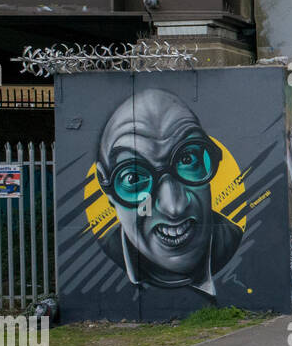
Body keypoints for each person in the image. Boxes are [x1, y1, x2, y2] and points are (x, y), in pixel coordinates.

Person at [94, 89, 242, 296]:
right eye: (134, 178)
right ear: (105, 185)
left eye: (188, 159)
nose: (174, 207)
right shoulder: (100, 261)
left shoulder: (236, 243)